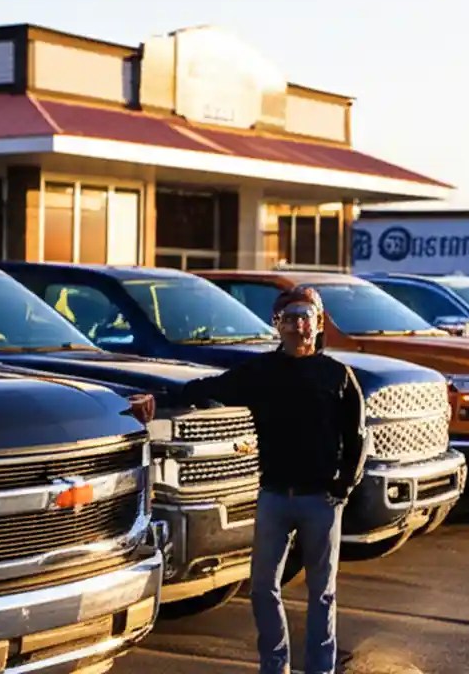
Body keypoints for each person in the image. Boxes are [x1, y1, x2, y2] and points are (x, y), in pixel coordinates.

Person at [181, 285, 368, 674]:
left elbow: (359, 436)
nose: (299, 325)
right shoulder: (260, 373)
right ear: (277, 325)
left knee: (322, 593)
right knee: (263, 588)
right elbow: (209, 389)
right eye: (290, 318)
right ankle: (274, 665)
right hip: (274, 498)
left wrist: (344, 486)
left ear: (318, 325)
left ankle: (320, 668)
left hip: (322, 501)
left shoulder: (337, 376)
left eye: (307, 317)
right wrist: (157, 398)